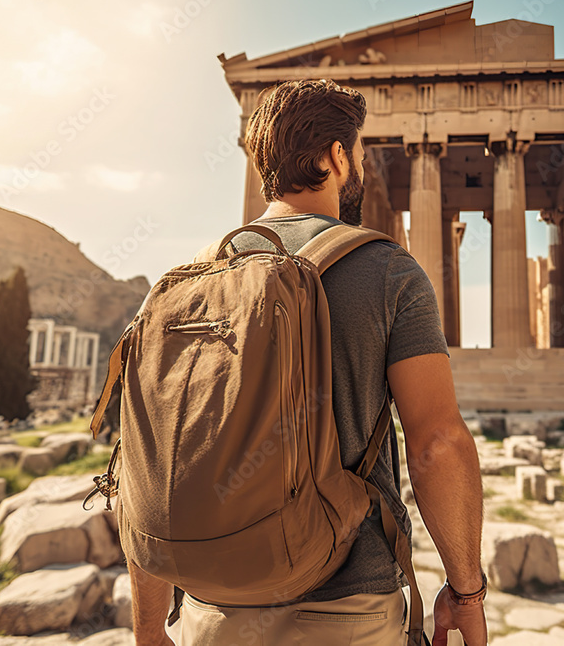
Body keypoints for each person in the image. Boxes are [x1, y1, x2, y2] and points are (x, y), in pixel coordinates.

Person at [128, 79, 488, 646]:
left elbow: (150, 463)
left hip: (210, 615)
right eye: (359, 152)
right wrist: (466, 592)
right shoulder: (388, 271)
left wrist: (149, 629)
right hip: (345, 612)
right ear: (337, 156)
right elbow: (437, 442)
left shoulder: (185, 283)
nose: (362, 164)